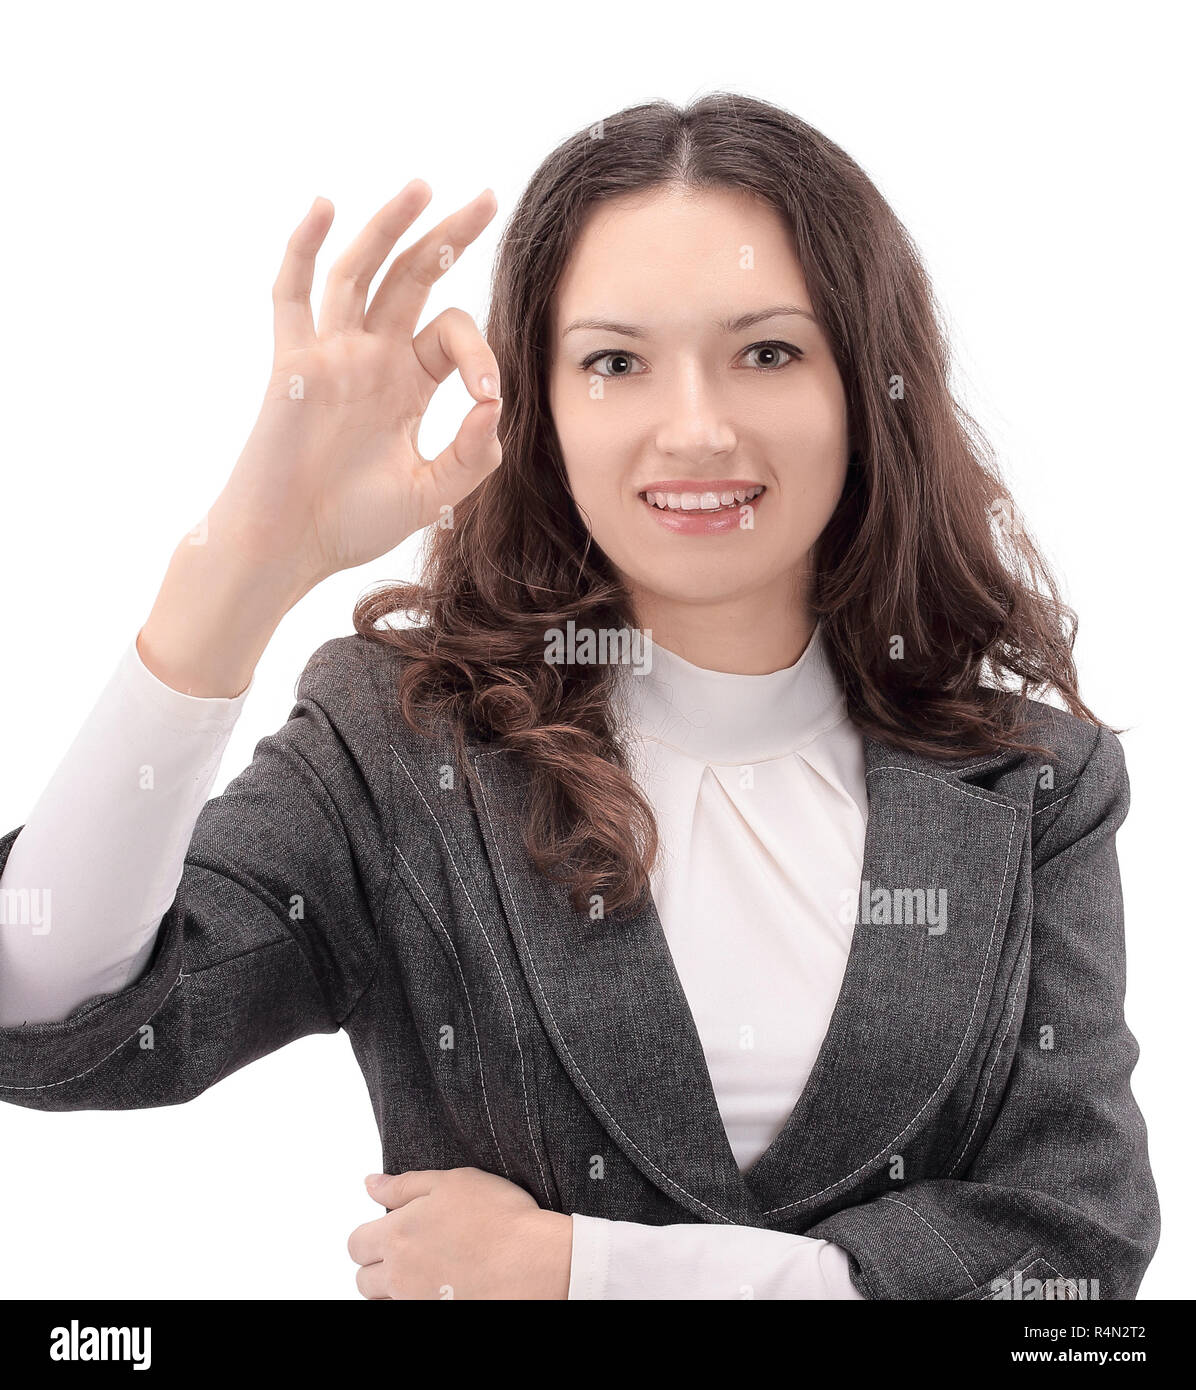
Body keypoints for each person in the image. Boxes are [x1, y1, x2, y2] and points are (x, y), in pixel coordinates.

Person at [0, 92, 1160, 1300]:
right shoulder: (403, 745)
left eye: (766, 351)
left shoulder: (1033, 787)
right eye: (614, 362)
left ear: (864, 388)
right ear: (540, 407)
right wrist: (242, 565)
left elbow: (1073, 1267)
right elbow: (55, 1015)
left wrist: (589, 1273)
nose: (694, 428)